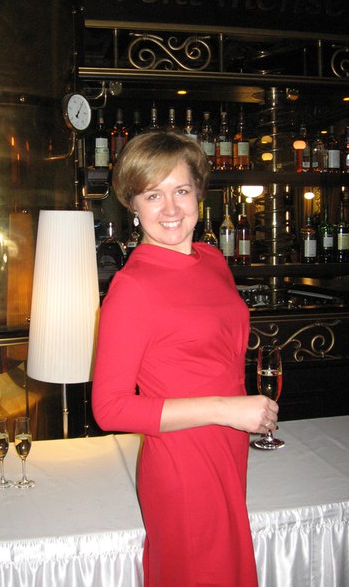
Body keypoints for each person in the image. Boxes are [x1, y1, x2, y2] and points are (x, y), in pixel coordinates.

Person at [92, 130, 278, 587]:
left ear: (199, 193)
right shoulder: (132, 288)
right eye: (153, 195)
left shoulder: (213, 259)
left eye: (181, 190)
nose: (170, 208)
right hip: (182, 464)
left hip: (227, 449)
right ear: (133, 205)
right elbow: (110, 408)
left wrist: (236, 414)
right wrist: (225, 409)